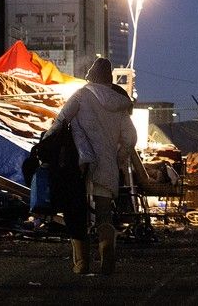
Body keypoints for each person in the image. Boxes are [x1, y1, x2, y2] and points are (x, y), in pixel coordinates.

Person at [44, 57, 136, 275]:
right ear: (108, 78)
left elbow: (60, 121)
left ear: (91, 76)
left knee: (77, 212)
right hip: (107, 165)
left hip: (80, 165)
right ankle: (106, 255)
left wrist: (44, 144)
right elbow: (130, 138)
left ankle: (82, 263)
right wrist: (119, 158)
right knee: (105, 214)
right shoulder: (118, 103)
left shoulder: (81, 95)